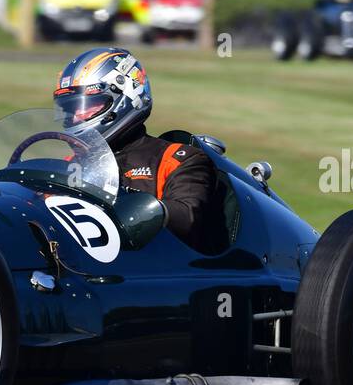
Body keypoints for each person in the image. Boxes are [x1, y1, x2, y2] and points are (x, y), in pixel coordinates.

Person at [52, 48, 225, 255]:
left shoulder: (176, 159)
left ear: (126, 96)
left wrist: (140, 208)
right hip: (79, 269)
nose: (77, 117)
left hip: (157, 273)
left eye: (89, 104)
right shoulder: (70, 166)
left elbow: (188, 217)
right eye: (71, 109)